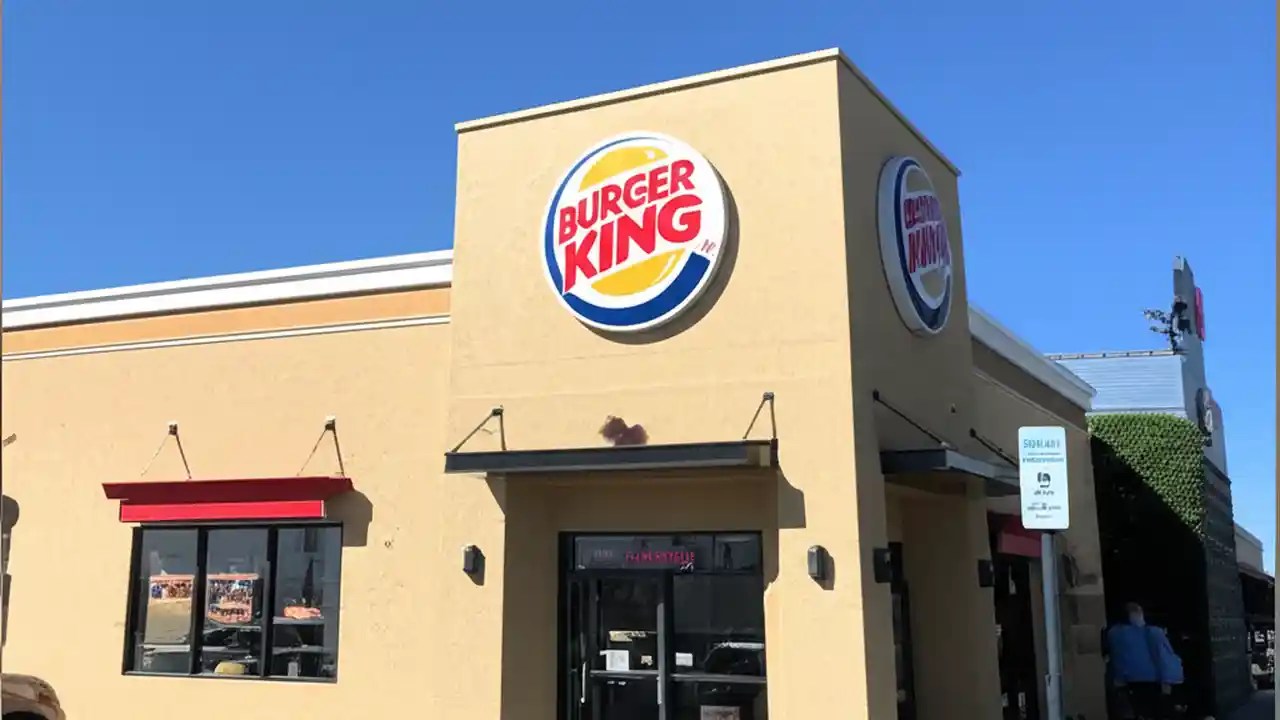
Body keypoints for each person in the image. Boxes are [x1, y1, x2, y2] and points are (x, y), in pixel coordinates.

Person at [1105, 602, 1184, 720]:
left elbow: (1112, 658)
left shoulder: (1113, 633)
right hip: (1151, 682)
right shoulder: (1153, 633)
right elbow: (1162, 658)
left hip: (1124, 683)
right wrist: (1167, 682)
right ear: (1138, 614)